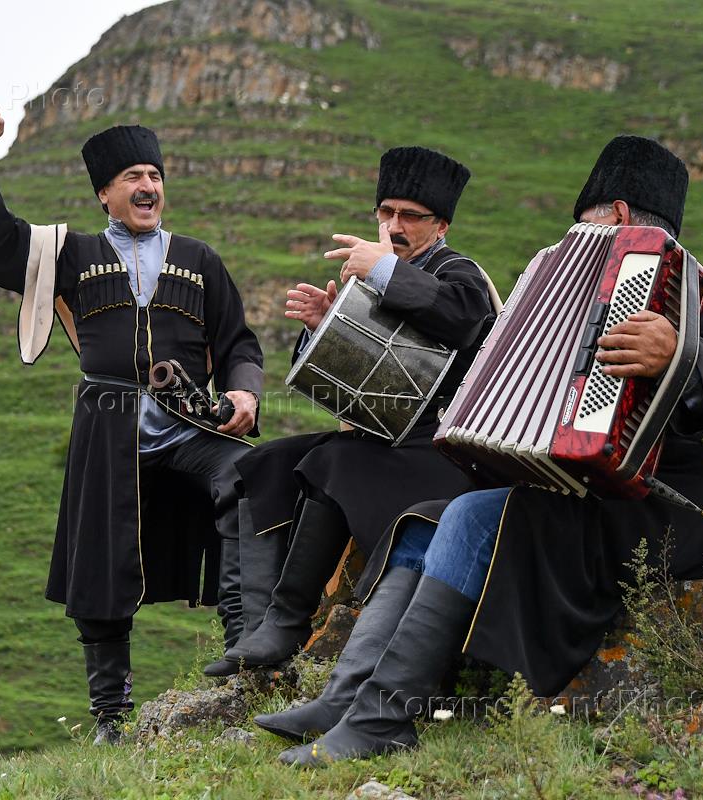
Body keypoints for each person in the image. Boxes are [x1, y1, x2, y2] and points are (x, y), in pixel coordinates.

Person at [265, 135, 703, 766]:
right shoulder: (573, 281)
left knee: (473, 518)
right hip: (589, 494)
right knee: (428, 517)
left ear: (614, 214)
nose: (574, 235)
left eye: (582, 222)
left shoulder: (698, 292)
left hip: (659, 506)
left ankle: (383, 719)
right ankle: (348, 697)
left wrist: (679, 356)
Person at [0, 107, 264, 744]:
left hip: (187, 427)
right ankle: (111, 719)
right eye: (132, 178)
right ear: (105, 194)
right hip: (108, 430)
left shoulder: (200, 259)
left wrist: (244, 394)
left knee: (249, 477)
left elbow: (240, 344)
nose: (148, 186)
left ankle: (246, 653)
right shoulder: (68, 254)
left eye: (155, 175)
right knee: (101, 567)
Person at [204, 147, 500, 677]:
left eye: (410, 216)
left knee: (334, 461)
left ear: (442, 224)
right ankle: (255, 634)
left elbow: (463, 319)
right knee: (258, 466)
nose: (394, 226)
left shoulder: (460, 272)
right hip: (385, 440)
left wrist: (385, 268)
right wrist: (326, 327)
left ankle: (289, 623)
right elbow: (359, 384)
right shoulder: (374, 281)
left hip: (444, 450)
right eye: (386, 212)